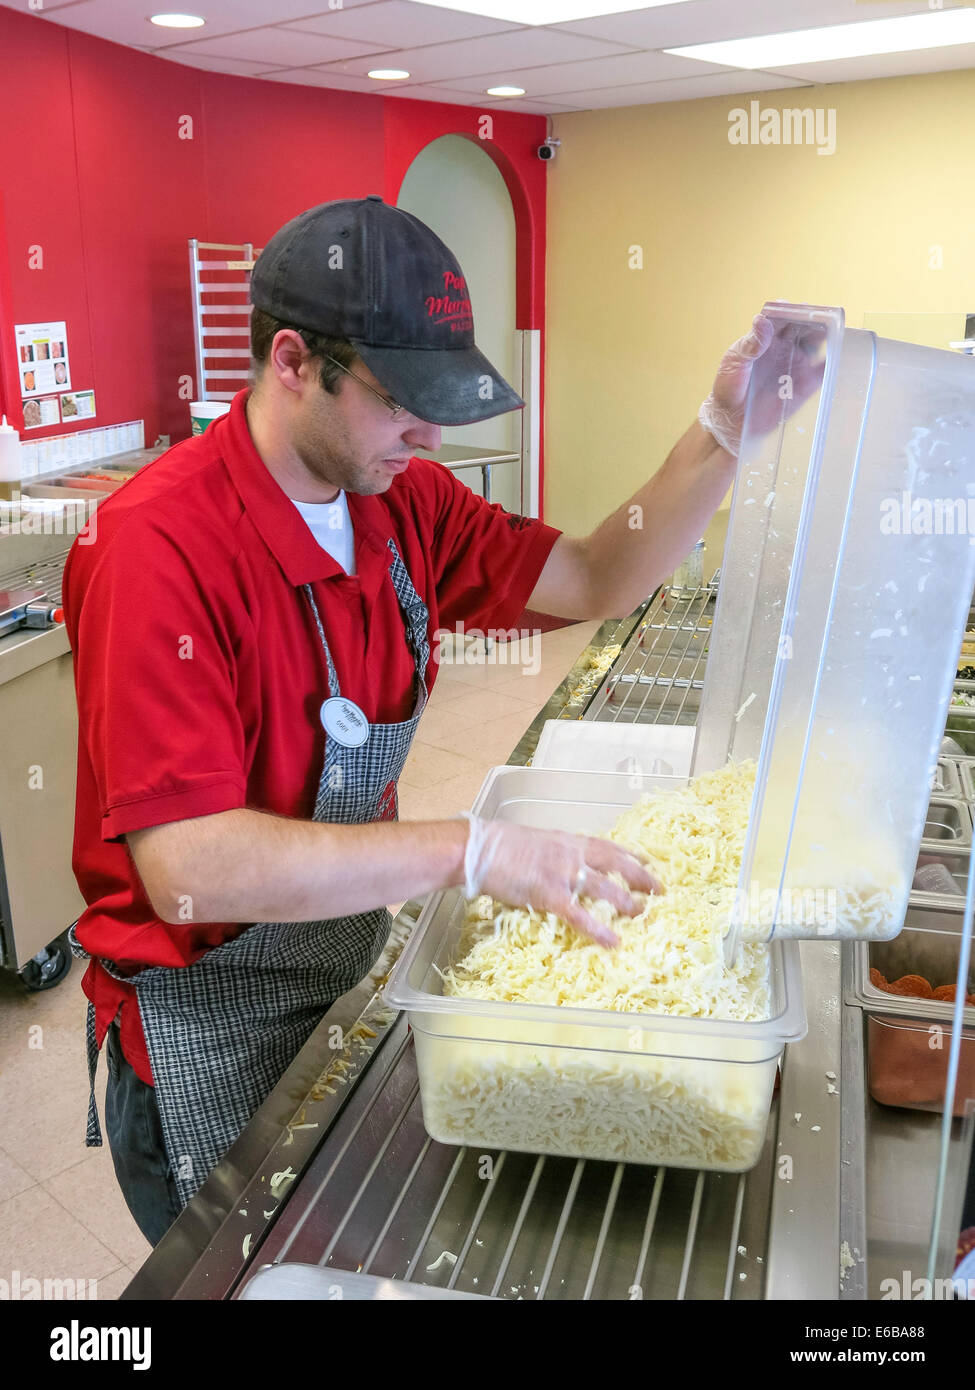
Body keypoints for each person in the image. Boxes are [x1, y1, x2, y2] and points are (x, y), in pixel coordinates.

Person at [62, 195, 786, 1246]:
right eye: (404, 399)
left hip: (339, 964)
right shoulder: (155, 549)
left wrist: (723, 432)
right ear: (293, 363)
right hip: (201, 1027)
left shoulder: (398, 498)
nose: (432, 433)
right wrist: (476, 850)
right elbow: (188, 868)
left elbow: (593, 571)